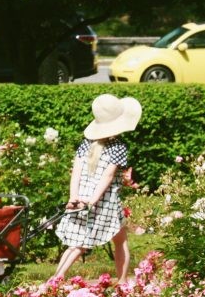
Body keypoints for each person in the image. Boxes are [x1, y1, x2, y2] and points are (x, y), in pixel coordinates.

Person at [49, 94, 141, 286]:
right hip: (103, 201)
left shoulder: (86, 144)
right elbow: (108, 177)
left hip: (82, 197)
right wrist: (92, 201)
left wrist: (74, 197)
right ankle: (122, 282)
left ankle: (56, 278)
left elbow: (76, 172)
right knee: (111, 242)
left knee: (79, 243)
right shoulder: (118, 146)